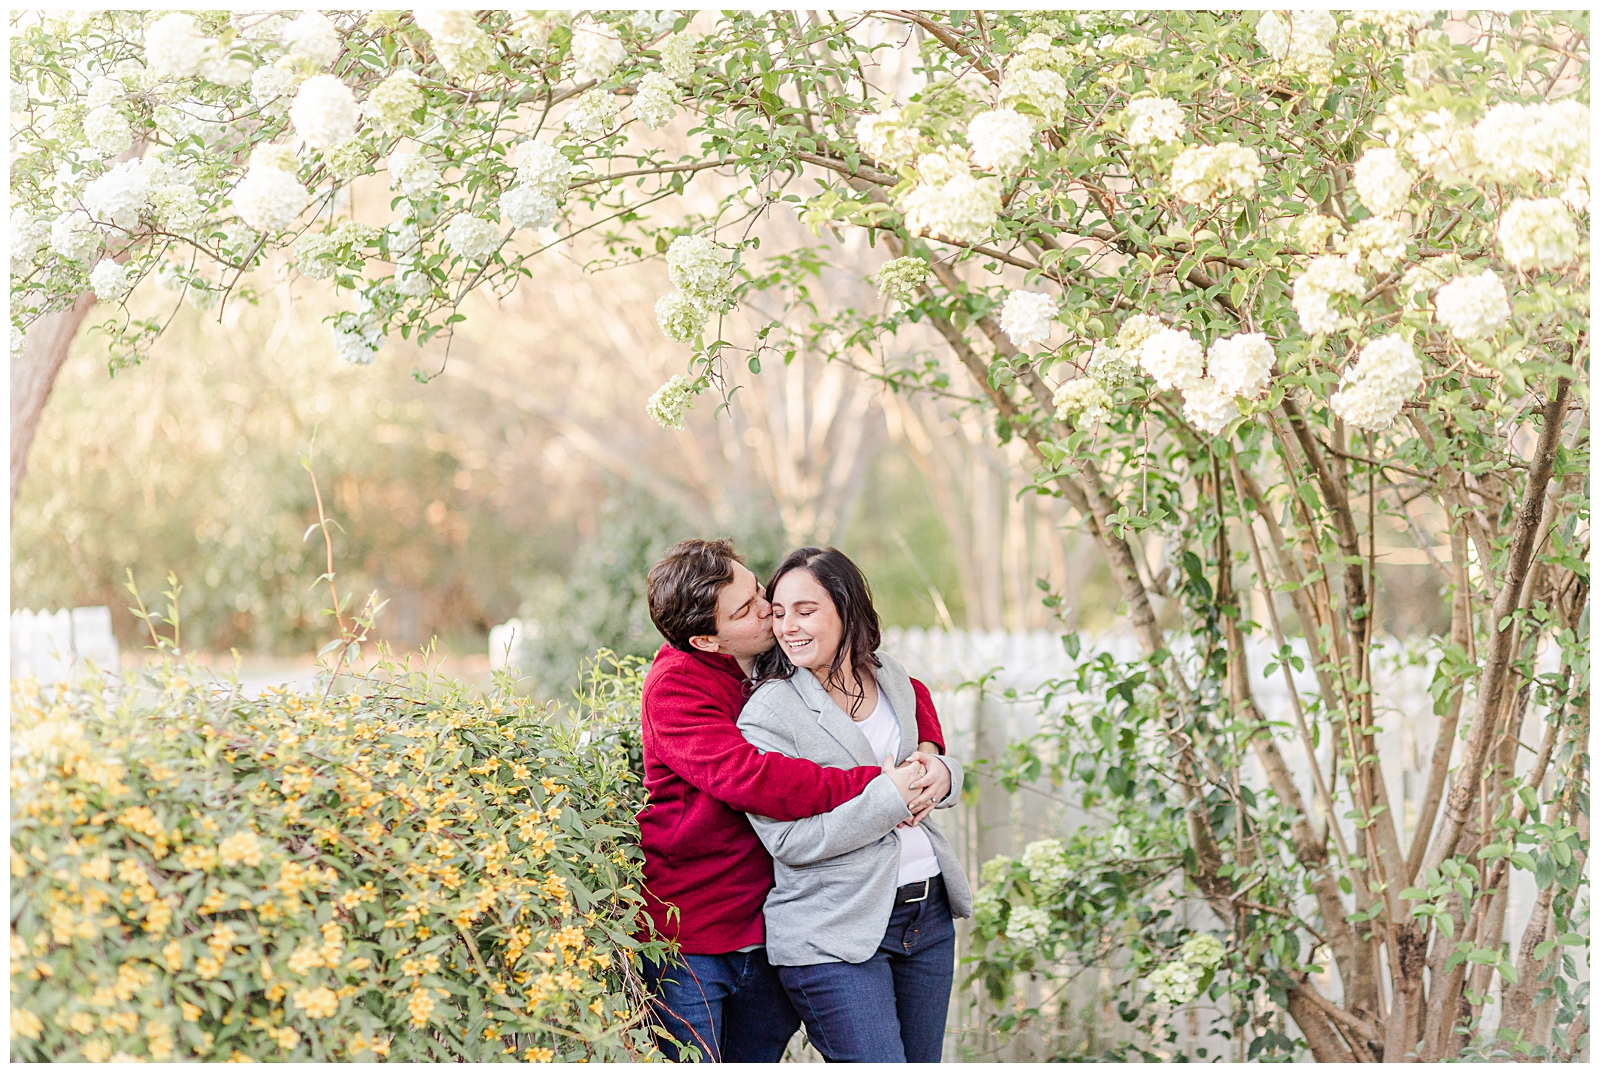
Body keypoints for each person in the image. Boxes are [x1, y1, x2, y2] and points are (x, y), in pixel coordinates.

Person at [638, 538, 952, 1062]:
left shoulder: (765, 655)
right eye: (749, 609)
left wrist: (929, 751)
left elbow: (893, 685)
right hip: (692, 933)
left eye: (758, 589)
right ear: (708, 641)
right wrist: (880, 784)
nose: (770, 611)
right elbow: (755, 778)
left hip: (765, 920)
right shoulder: (677, 689)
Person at [738, 546, 972, 1063]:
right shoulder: (769, 714)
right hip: (833, 932)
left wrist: (943, 775)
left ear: (846, 608)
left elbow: (926, 765)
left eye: (806, 610)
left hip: (926, 916)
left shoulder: (891, 676)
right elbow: (789, 842)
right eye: (779, 613)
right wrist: (888, 799)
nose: (788, 627)